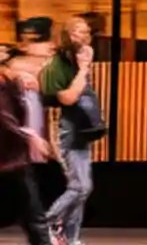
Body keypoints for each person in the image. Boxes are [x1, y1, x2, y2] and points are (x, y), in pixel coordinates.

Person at [40, 16, 106, 245]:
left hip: (81, 133)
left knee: (81, 189)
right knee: (81, 186)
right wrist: (84, 68)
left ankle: (70, 236)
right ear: (67, 34)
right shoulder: (59, 64)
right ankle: (49, 221)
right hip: (67, 133)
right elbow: (68, 98)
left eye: (86, 31)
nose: (83, 35)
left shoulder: (74, 61)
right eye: (77, 31)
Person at [0, 48, 53, 245]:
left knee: (35, 220)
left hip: (15, 161)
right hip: (9, 163)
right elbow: (4, 119)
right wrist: (30, 136)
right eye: (33, 62)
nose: (38, 67)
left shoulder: (13, 85)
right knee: (35, 220)